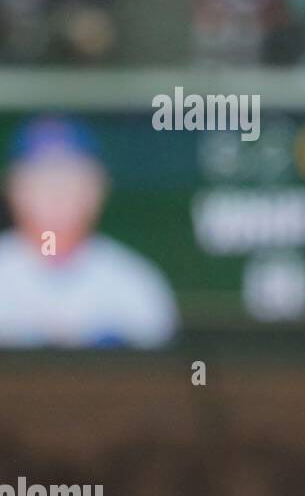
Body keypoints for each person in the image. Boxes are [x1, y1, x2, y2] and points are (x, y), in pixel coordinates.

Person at [0, 116, 178, 348]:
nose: (57, 193)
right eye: (42, 178)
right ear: (13, 188)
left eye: (70, 177)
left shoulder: (133, 282)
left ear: (98, 189)